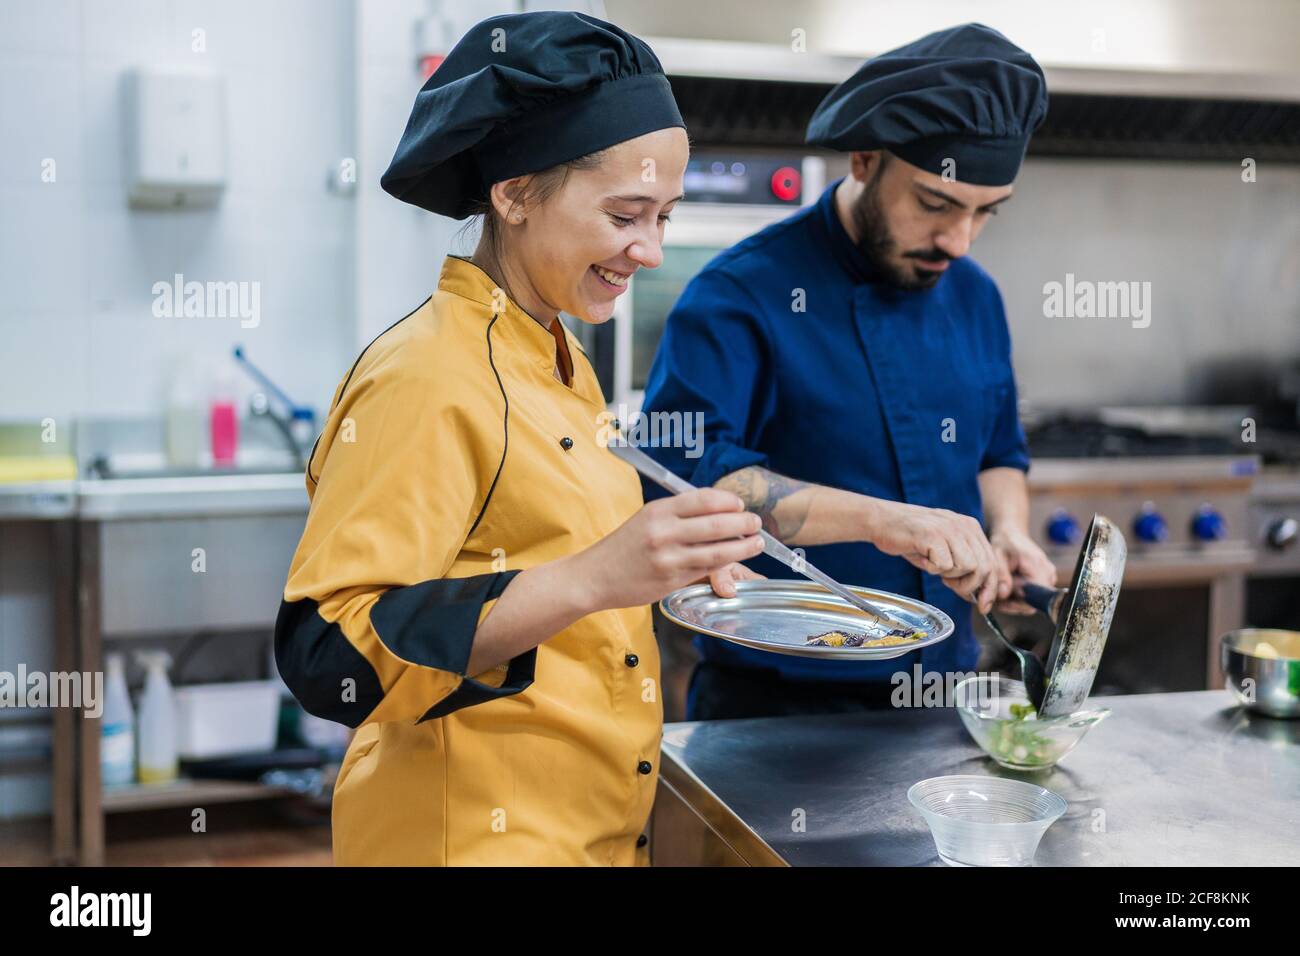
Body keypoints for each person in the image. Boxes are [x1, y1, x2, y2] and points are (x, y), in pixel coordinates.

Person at [274, 11, 763, 865]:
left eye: (666, 218)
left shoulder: (557, 352)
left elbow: (546, 552)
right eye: (625, 215)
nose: (649, 250)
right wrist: (594, 576)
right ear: (514, 193)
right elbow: (329, 653)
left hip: (587, 835)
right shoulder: (427, 374)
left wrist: (663, 563)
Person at [640, 24, 1058, 720]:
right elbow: (687, 476)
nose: (958, 240)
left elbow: (998, 451)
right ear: (865, 161)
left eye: (986, 214)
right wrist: (880, 521)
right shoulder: (742, 293)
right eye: (936, 204)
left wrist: (1009, 529)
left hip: (940, 697)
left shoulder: (975, 295)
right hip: (775, 710)